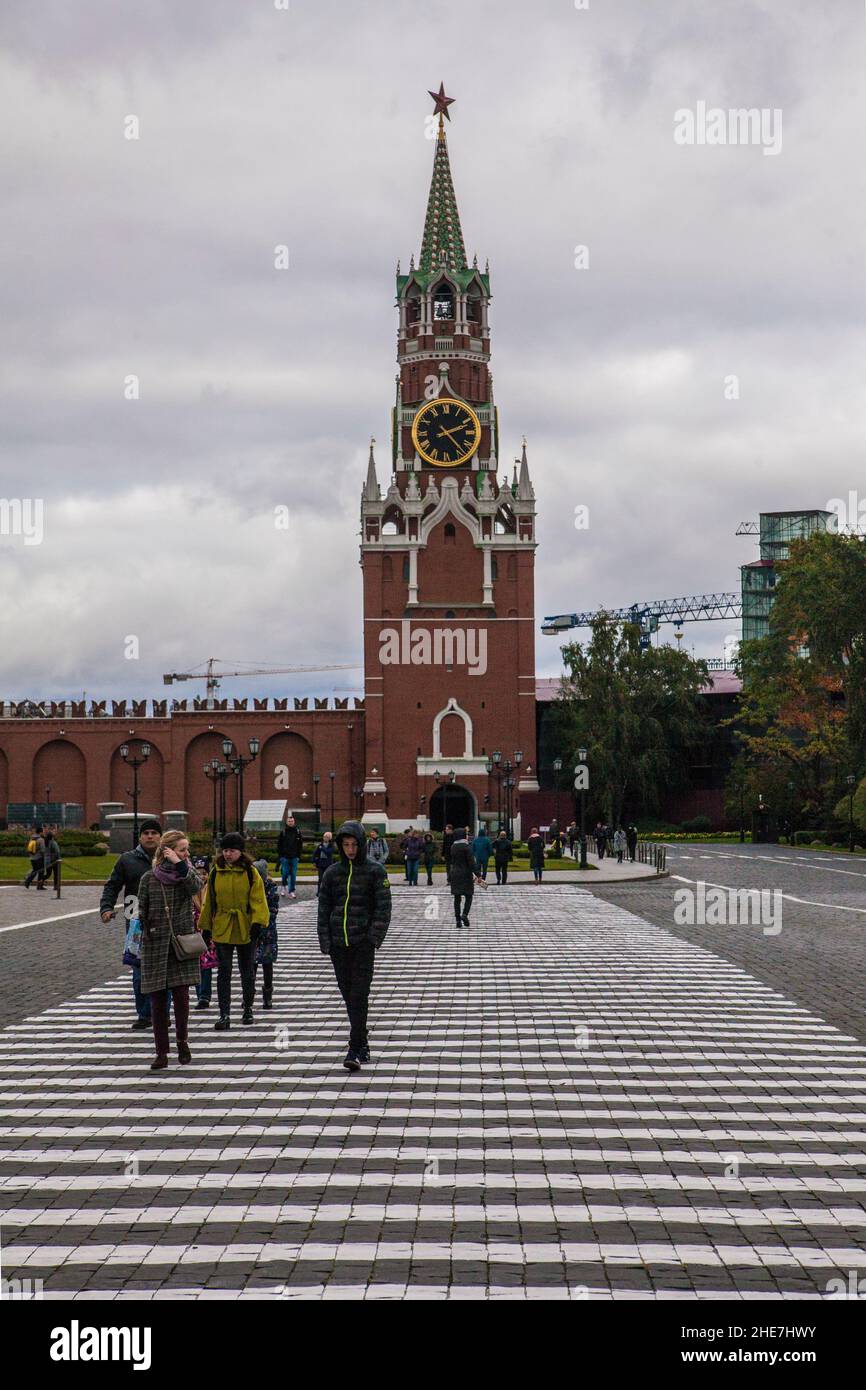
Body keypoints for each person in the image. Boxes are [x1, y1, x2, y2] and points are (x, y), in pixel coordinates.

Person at [317, 820, 392, 1072]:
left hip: (362, 943)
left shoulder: (375, 872)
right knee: (348, 994)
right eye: (346, 845)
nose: (350, 850)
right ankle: (363, 1041)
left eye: (354, 845)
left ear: (361, 845)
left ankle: (354, 1047)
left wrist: (373, 938)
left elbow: (383, 908)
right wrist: (324, 939)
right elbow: (324, 908)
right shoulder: (332, 873)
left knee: (359, 993)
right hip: (339, 943)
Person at [138, 831, 202, 1071]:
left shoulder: (186, 873)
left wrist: (180, 864)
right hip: (155, 945)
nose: (187, 854)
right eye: (182, 849)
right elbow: (141, 912)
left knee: (182, 999)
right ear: (168, 849)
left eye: (187, 850)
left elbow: (196, 887)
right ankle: (161, 1051)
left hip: (181, 945)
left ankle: (182, 1041)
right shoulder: (149, 878)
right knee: (157, 1002)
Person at [198, 831, 269, 1030]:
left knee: (247, 971)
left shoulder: (250, 872)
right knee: (224, 971)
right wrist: (206, 927)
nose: (228, 854)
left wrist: (258, 923)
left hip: (245, 926)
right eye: (225, 850)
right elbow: (209, 901)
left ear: (240, 852)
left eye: (232, 850)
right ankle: (224, 1014)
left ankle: (247, 1008)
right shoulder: (216, 871)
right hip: (222, 925)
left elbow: (258, 898)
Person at [100, 818, 163, 1029]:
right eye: (147, 833)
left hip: (165, 920)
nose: (150, 836)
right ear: (140, 836)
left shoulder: (168, 858)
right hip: (135, 921)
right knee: (138, 969)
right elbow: (113, 885)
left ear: (160, 836)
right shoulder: (127, 859)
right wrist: (106, 907)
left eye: (154, 832)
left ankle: (159, 1012)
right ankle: (144, 1013)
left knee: (165, 969)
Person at [253, 858, 280, 1008]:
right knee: (251, 966)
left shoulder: (270, 888)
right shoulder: (249, 887)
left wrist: (262, 922)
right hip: (253, 933)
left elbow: (273, 910)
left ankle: (267, 995)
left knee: (267, 965)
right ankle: (248, 994)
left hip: (268, 933)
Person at [449, 828, 477, 928]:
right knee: (469, 896)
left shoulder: (453, 847)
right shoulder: (467, 847)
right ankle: (464, 915)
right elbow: (471, 862)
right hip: (466, 874)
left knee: (457, 898)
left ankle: (457, 920)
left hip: (455, 874)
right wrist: (478, 874)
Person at [276, 815, 303, 898]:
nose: (290, 822)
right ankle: (283, 888)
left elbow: (300, 845)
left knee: (293, 875)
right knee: (284, 873)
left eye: (292, 821)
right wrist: (281, 856)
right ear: (286, 822)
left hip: (294, 857)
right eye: (289, 821)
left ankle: (292, 891)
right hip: (285, 857)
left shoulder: (298, 832)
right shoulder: (283, 832)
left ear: (294, 822)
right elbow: (279, 845)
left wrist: (298, 856)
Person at [312, 830, 335, 896]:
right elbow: (315, 853)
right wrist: (314, 861)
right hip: (321, 864)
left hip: (328, 864)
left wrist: (322, 848)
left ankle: (328, 892)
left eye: (327, 837)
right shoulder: (320, 845)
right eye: (324, 837)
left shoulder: (331, 845)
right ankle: (319, 891)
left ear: (330, 838)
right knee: (320, 879)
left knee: (328, 879)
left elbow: (328, 852)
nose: (325, 838)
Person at [24, 825, 46, 889]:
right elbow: (43, 850)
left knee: (35, 870)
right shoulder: (41, 839)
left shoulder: (32, 838)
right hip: (39, 858)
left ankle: (28, 881)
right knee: (41, 871)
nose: (43, 833)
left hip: (32, 858)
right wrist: (44, 856)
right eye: (42, 832)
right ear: (40, 832)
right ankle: (39, 886)